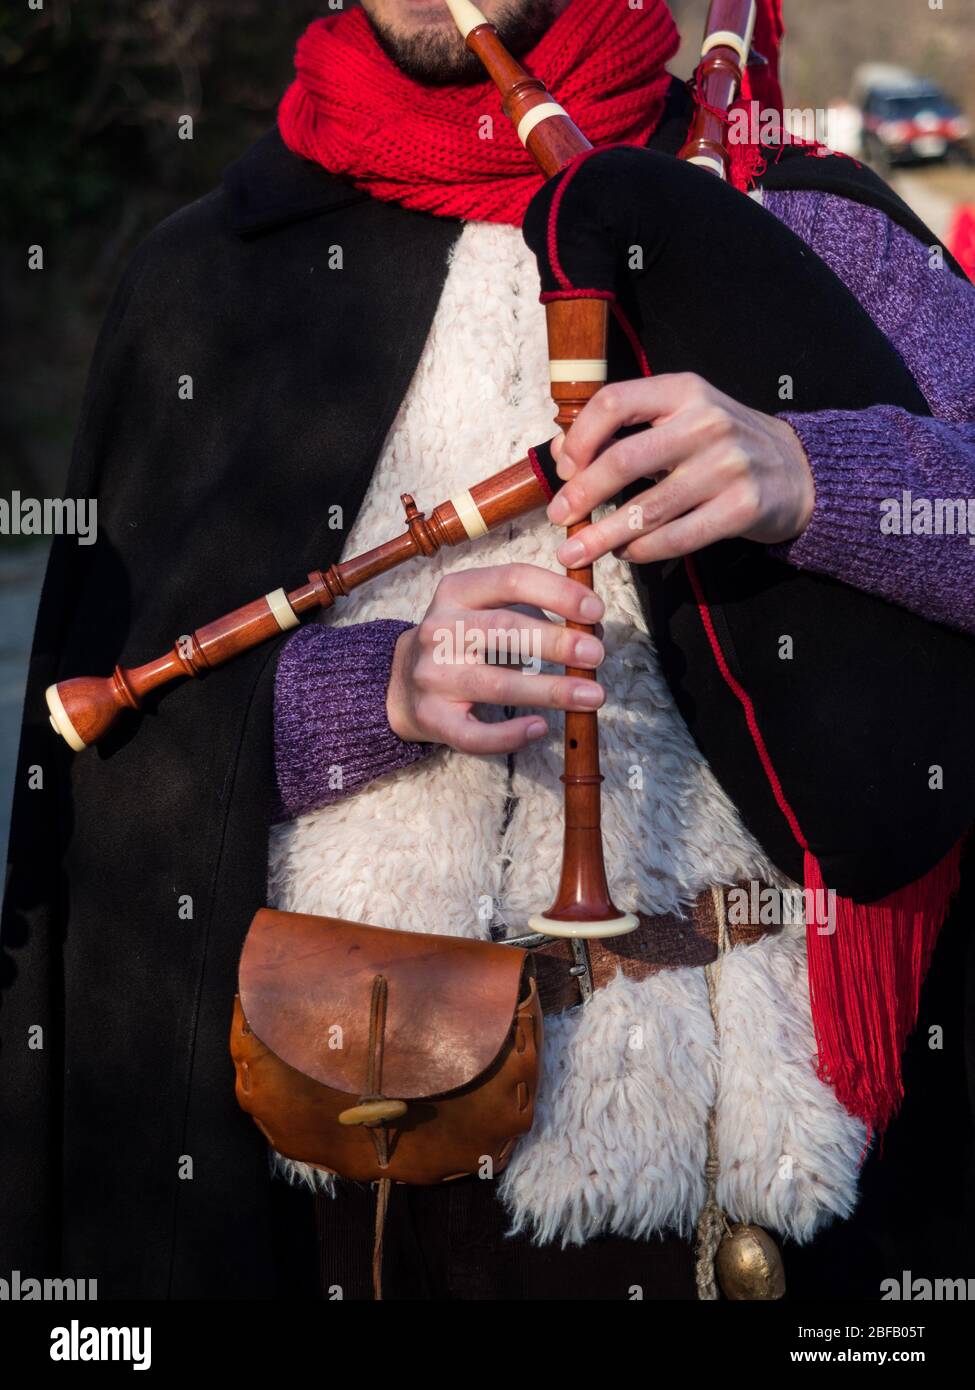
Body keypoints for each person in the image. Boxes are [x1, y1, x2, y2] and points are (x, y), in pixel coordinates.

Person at [2, 0, 974, 1301]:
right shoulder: (219, 274)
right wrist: (374, 688)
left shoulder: (804, 216)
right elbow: (123, 755)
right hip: (346, 1158)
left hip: (738, 1176)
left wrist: (814, 472)